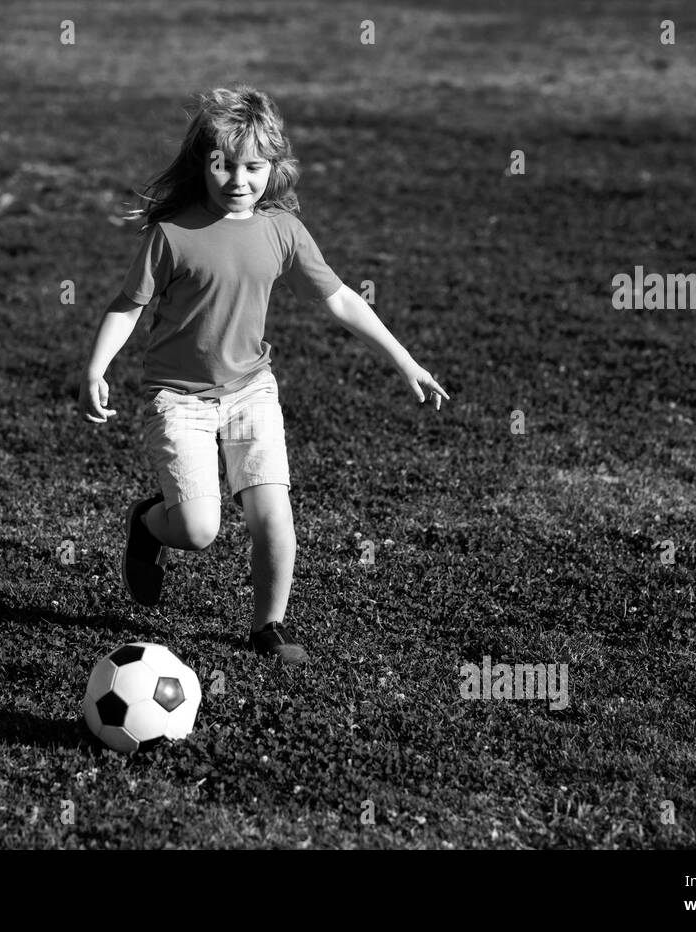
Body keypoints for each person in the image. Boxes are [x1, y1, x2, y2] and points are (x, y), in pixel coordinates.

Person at [79, 85, 449, 666]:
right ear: (204, 162)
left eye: (254, 167)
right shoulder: (171, 235)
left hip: (251, 389)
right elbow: (128, 306)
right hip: (179, 400)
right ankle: (149, 526)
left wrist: (406, 361)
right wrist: (96, 368)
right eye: (224, 165)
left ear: (274, 167)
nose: (238, 180)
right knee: (199, 530)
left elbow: (342, 300)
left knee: (273, 516)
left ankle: (267, 627)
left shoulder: (283, 231)